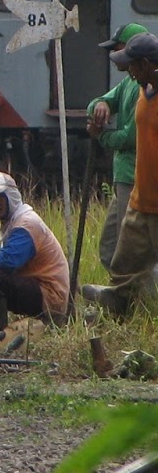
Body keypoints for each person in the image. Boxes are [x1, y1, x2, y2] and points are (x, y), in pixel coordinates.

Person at [85, 32, 158, 316]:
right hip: (141, 199)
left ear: (145, 64)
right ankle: (117, 308)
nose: (127, 70)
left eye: (131, 65)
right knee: (123, 265)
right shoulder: (142, 89)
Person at [0, 170, 69, 341]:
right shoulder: (15, 222)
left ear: (11, 196)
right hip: (41, 289)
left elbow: (7, 262)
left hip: (50, 296)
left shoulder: (26, 225)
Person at [89, 23, 149, 270]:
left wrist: (101, 137)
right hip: (122, 176)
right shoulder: (127, 83)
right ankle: (121, 294)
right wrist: (100, 104)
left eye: (118, 49)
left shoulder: (144, 88)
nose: (114, 55)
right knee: (110, 247)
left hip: (135, 176)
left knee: (132, 248)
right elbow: (98, 102)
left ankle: (138, 302)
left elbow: (131, 137)